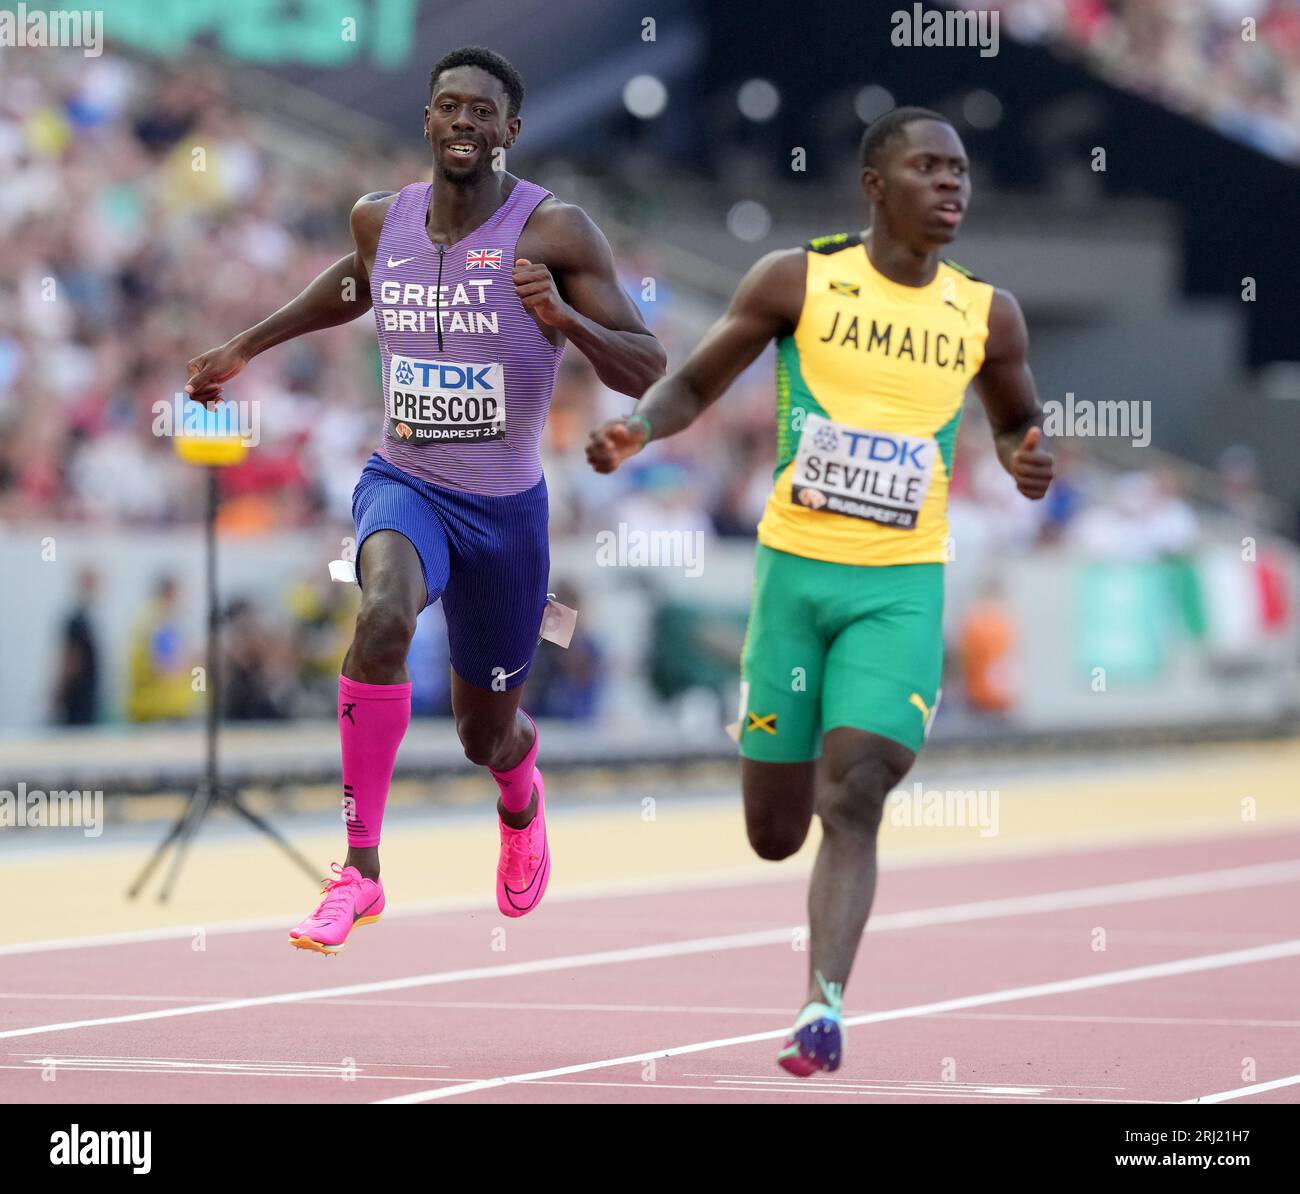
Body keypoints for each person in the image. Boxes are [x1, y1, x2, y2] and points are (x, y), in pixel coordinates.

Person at [587, 107, 1053, 1075]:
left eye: (960, 170)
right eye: (928, 168)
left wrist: (1024, 457)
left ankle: (821, 1005)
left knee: (860, 790)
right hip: (794, 578)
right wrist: (638, 427)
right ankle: (773, 770)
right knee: (773, 831)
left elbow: (1015, 421)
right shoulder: (797, 280)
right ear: (876, 185)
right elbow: (695, 385)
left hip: (901, 584)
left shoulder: (984, 312)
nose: (952, 185)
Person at [184, 46, 664, 953]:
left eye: (484, 113)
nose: (464, 124)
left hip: (506, 516)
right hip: (404, 483)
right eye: (449, 107)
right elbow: (350, 288)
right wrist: (244, 346)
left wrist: (565, 321)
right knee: (382, 616)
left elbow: (647, 365)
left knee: (486, 733)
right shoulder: (383, 219)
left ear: (510, 132)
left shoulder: (557, 234)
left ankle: (520, 800)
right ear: (429, 119)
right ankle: (359, 872)